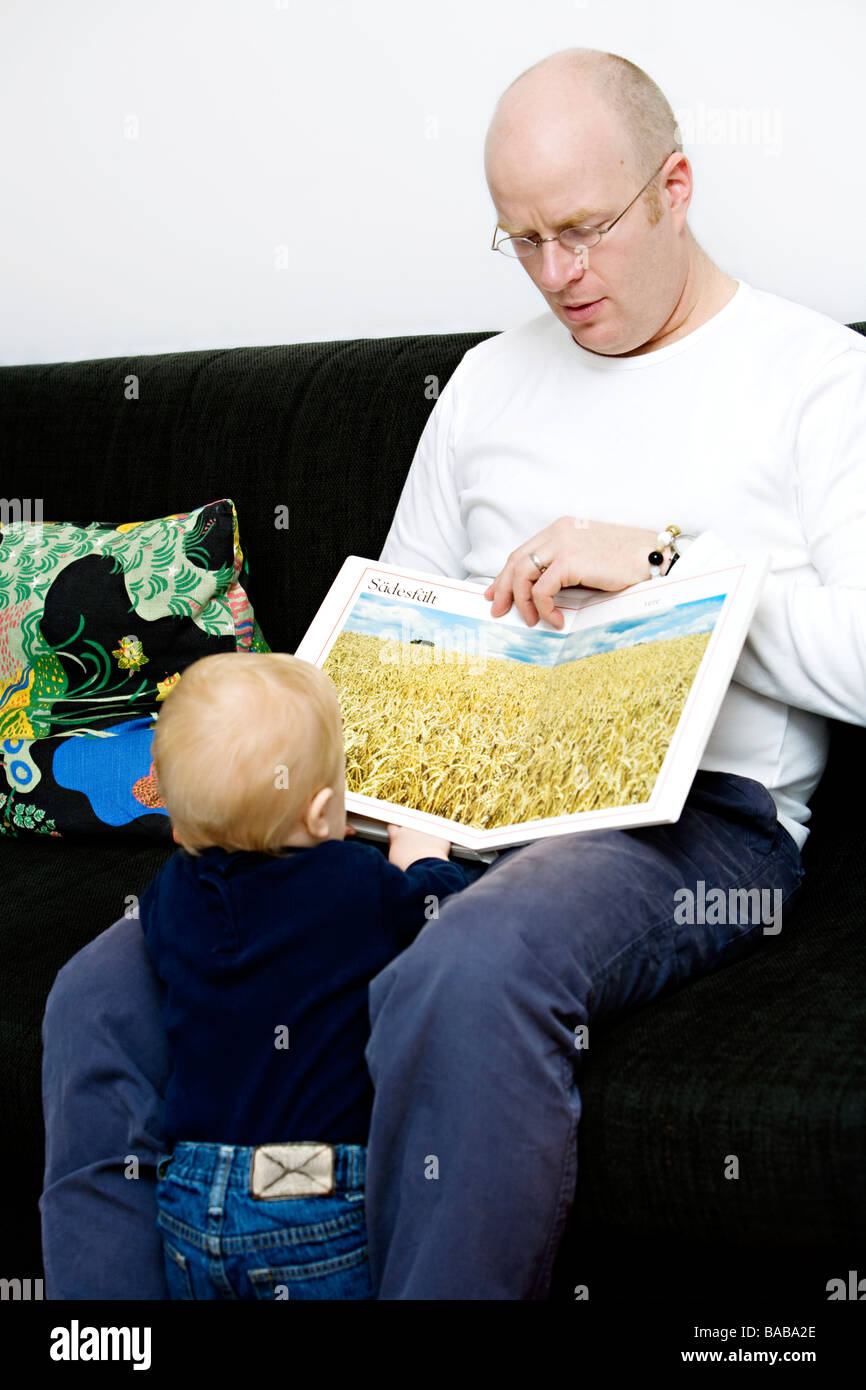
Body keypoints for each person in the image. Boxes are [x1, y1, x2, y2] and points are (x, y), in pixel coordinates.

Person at [40, 47, 865, 1301]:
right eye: (521, 239)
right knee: (104, 982)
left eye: (582, 231)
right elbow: (398, 618)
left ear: (674, 186)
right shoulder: (483, 382)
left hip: (690, 822)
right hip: (452, 799)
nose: (556, 275)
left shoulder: (815, 378)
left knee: (469, 964)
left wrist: (660, 564)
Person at [133, 651, 468, 1299]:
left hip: (187, 1201)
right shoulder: (353, 886)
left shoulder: (167, 896)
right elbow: (436, 916)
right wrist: (420, 859)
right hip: (309, 1203)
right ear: (323, 815)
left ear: (177, 825)